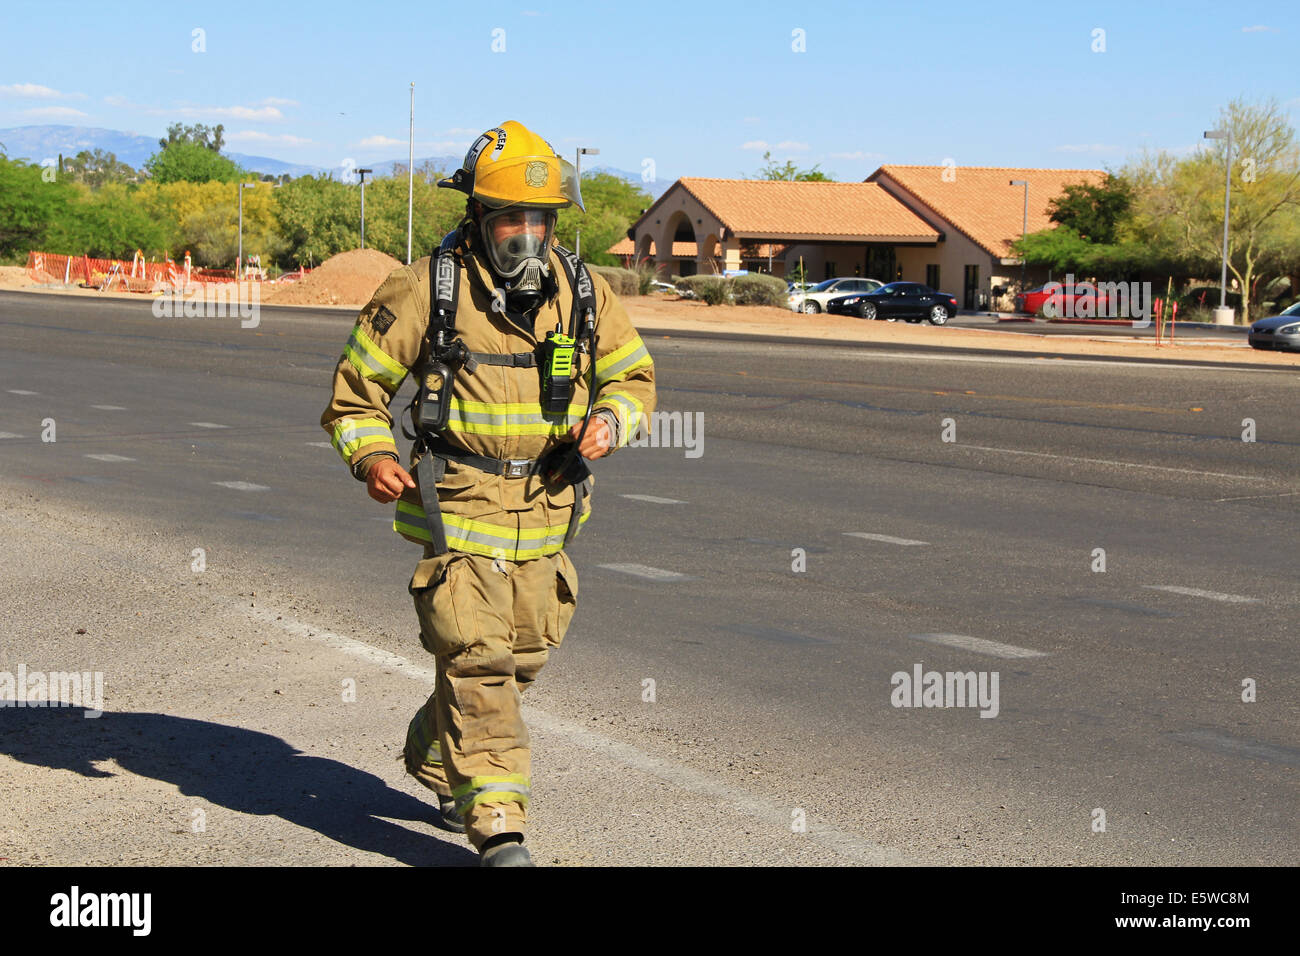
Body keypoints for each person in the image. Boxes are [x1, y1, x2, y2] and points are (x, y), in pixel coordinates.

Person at [321, 121, 656, 866]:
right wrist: (372, 457)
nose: (527, 234)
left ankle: (440, 753)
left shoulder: (583, 291)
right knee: (476, 659)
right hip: (459, 505)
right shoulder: (423, 287)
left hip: (549, 508)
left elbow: (634, 376)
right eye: (512, 218)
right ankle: (500, 828)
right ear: (477, 216)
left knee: (525, 655)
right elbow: (354, 396)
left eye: (541, 219)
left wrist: (611, 419)